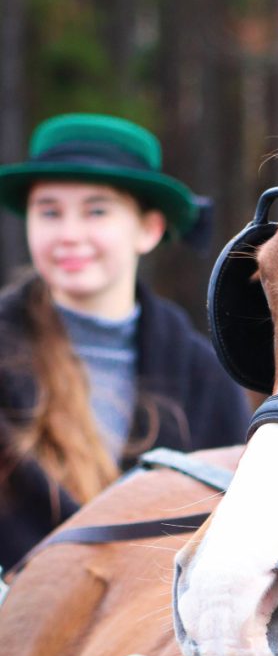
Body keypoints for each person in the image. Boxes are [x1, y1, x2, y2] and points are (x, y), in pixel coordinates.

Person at [0, 113, 252, 570]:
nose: (70, 235)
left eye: (97, 211)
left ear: (148, 229)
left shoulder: (201, 375)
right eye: (50, 212)